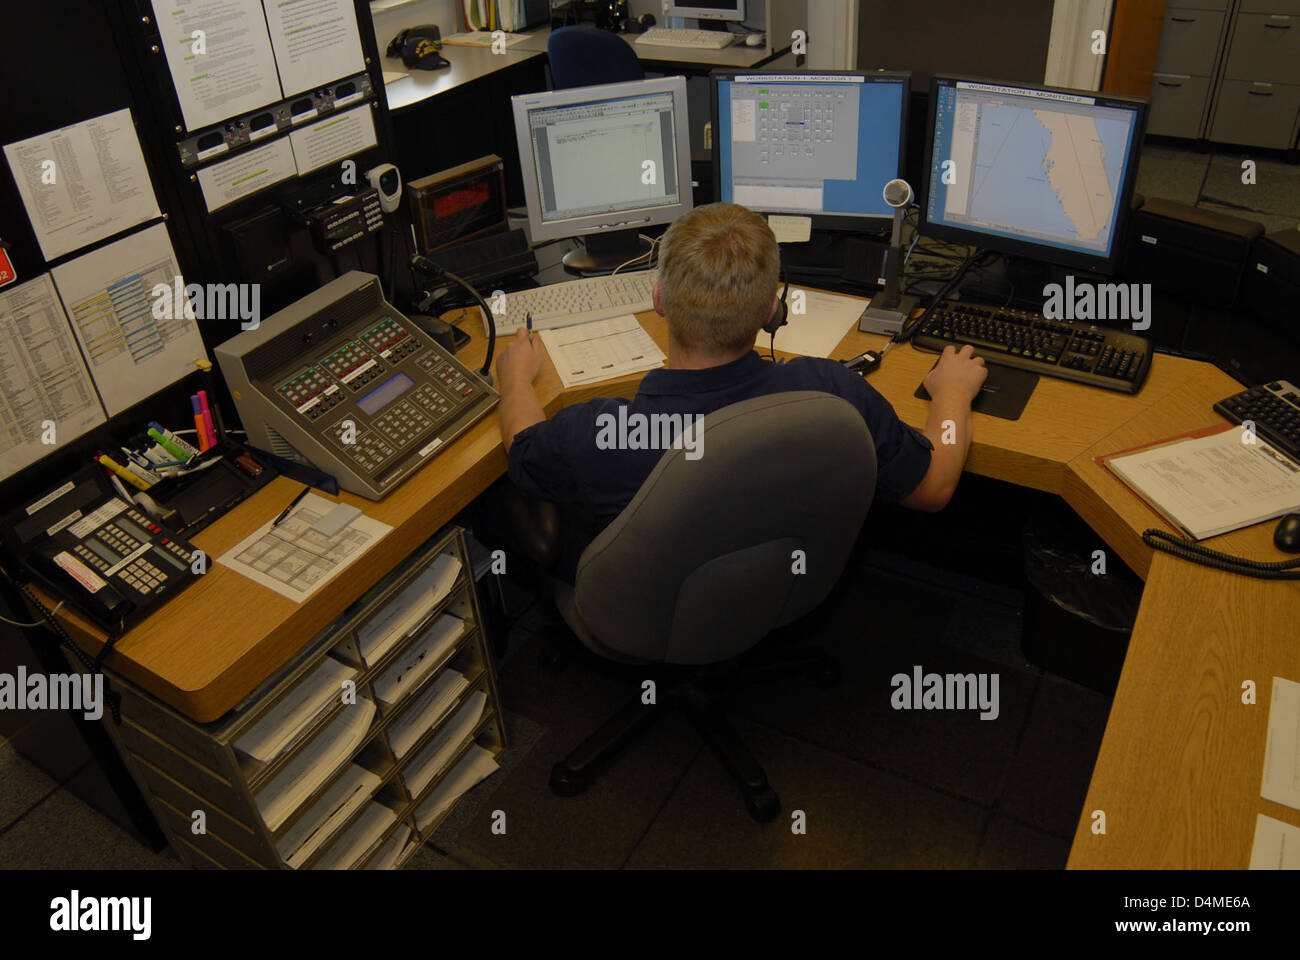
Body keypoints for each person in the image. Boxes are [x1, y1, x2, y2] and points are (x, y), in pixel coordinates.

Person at [492, 202, 988, 582]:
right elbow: (934, 488)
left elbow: (524, 450)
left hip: (642, 612)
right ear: (772, 311)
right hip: (785, 592)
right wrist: (953, 396)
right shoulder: (832, 392)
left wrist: (514, 378)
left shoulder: (607, 431)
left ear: (659, 300)